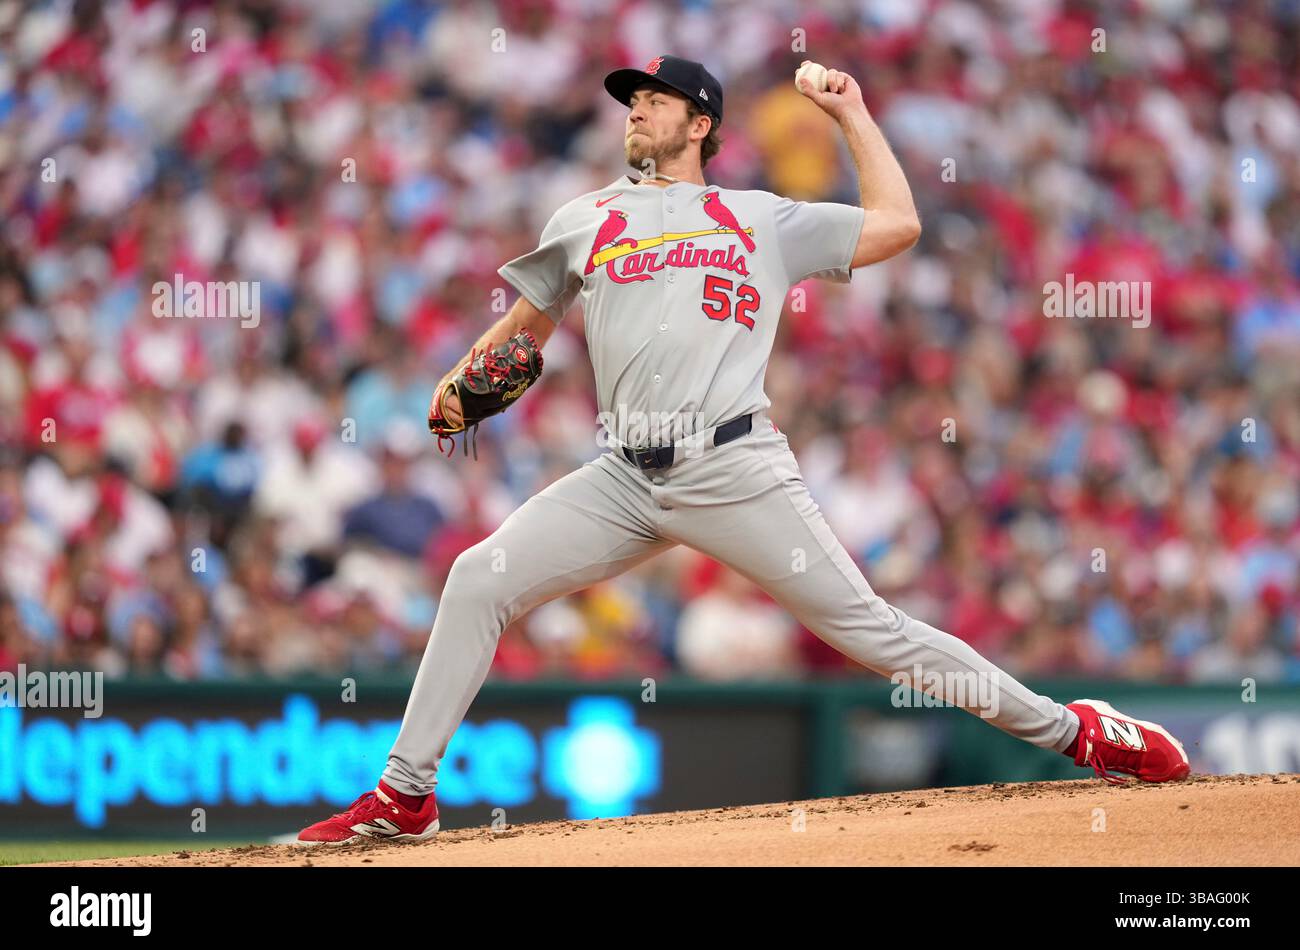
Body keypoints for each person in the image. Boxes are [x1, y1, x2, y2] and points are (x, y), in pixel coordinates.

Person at [298, 56, 1188, 845]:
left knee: (872, 634)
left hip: (734, 465)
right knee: (477, 579)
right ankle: (405, 794)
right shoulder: (587, 217)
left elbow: (898, 223)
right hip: (622, 475)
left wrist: (851, 115)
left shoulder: (759, 217)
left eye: (655, 100)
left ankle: (1078, 733)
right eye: (631, 100)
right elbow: (525, 329)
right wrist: (458, 384)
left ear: (701, 124)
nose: (635, 111)